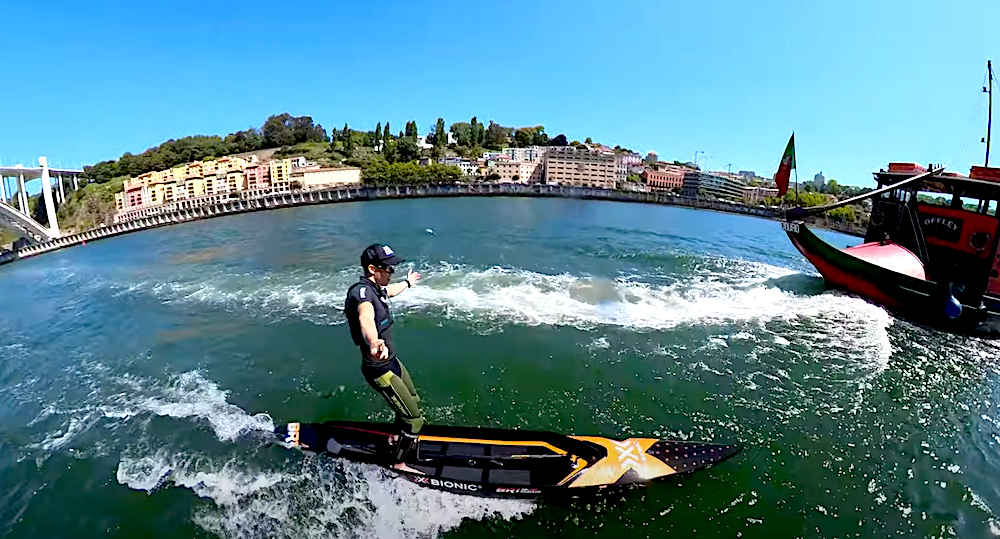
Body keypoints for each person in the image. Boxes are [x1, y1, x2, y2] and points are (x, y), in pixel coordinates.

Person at [344, 243, 424, 467]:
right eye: (388, 269)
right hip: (379, 368)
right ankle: (398, 463)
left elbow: (390, 291)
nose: (392, 272)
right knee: (414, 421)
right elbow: (365, 317)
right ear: (372, 269)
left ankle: (395, 438)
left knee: (414, 401)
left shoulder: (376, 288)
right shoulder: (361, 293)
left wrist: (407, 283)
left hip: (392, 361)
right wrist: (374, 340)